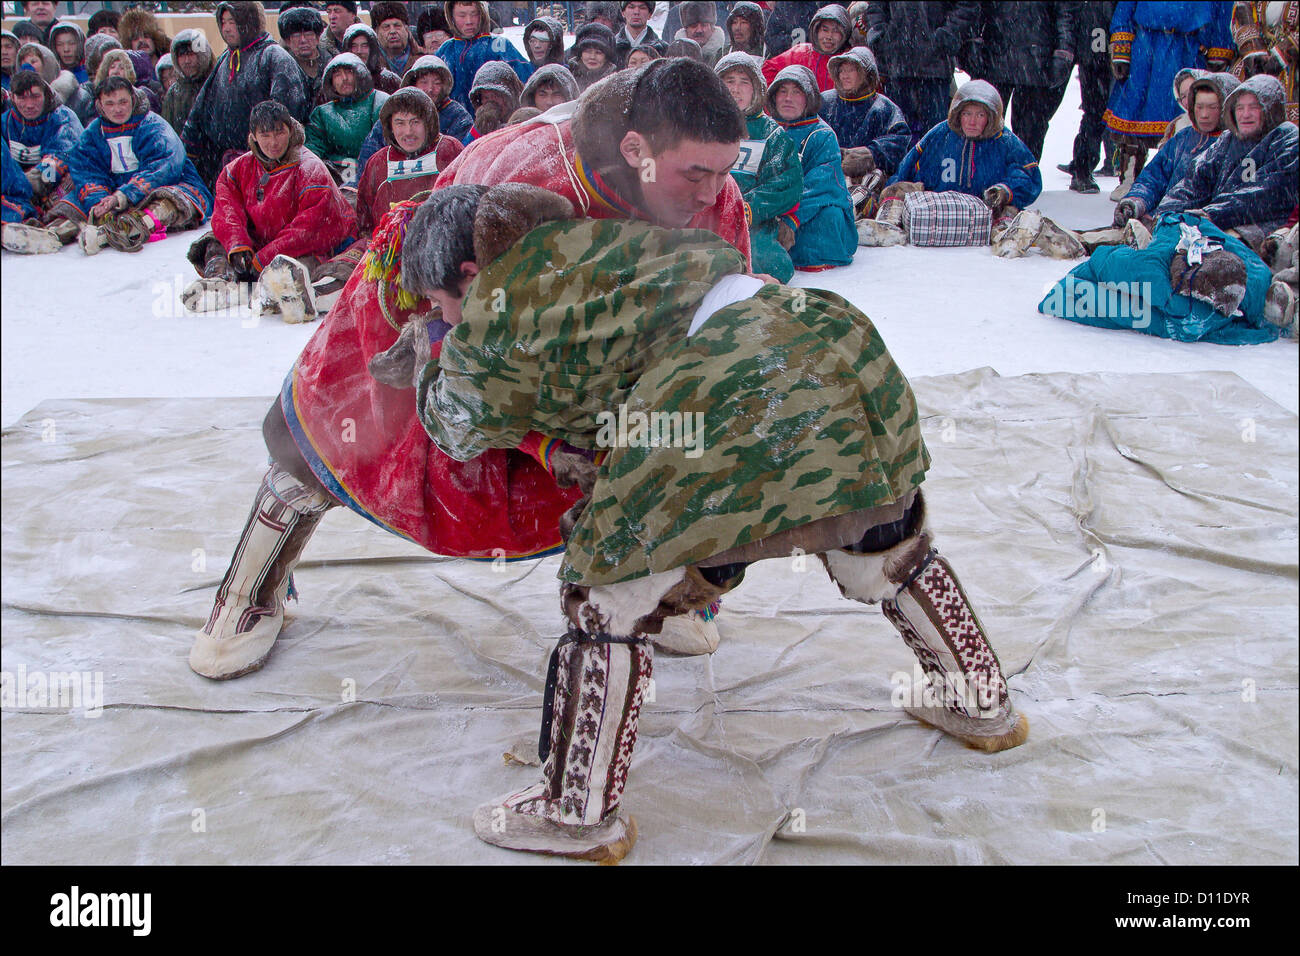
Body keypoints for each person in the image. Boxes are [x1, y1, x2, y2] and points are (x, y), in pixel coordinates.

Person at [401, 183, 1029, 861]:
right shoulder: (610, 240)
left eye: (441, 303)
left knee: (602, 600)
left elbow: (459, 427)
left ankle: (575, 811)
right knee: (882, 543)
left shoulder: (498, 304)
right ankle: (981, 702)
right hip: (831, 346)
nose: (446, 316)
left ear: (469, 273)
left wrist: (432, 357)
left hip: (722, 395)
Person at [434, 56, 754, 653]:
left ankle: (684, 580)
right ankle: (254, 585)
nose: (714, 192)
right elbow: (484, 357)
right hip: (520, 357)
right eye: (696, 174)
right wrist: (548, 443)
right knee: (332, 437)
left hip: (645, 372)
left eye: (725, 171)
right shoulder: (530, 198)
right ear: (637, 150)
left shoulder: (721, 201)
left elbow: (725, 326)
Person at [183, 100, 356, 320]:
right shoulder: (237, 169)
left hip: (303, 247)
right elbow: (227, 211)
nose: (273, 142)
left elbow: (308, 229)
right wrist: (239, 246)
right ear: (253, 136)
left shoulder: (311, 169)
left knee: (297, 266)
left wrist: (265, 257)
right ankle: (220, 281)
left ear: (290, 130)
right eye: (264, 135)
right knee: (216, 241)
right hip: (260, 245)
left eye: (279, 133)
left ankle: (284, 293)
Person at [19, 77, 212, 255]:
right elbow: (85, 169)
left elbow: (166, 164)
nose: (117, 109)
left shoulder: (152, 126)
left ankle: (130, 228)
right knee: (76, 201)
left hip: (157, 186)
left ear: (133, 99)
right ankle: (56, 233)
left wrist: (124, 195)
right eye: (110, 104)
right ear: (100, 105)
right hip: (111, 191)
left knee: (169, 202)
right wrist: (100, 200)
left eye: (123, 102)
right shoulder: (93, 133)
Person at [313, 87, 465, 292]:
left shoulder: (449, 150)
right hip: (384, 246)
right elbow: (365, 217)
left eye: (415, 122)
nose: (408, 132)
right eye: (400, 123)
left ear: (428, 123)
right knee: (349, 266)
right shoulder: (378, 162)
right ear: (389, 126)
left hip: (438, 244)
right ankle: (324, 287)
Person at [1104, 1, 1234, 200]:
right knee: (1134, 112)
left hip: (1187, 49)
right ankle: (1130, 178)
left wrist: (1219, 47)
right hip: (1145, 50)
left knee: (1188, 115)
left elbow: (1221, 9)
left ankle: (1182, 179)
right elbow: (1125, 9)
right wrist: (1121, 50)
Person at [182, 2, 310, 187]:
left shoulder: (273, 56)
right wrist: (187, 153)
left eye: (232, 21)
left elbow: (287, 115)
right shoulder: (225, 60)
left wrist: (265, 151)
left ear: (248, 21)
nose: (226, 29)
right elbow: (199, 113)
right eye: (223, 22)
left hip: (266, 166)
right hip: (224, 165)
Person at [1154, 73, 1299, 236]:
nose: (1245, 114)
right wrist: (1167, 212)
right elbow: (1196, 181)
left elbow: (1265, 193)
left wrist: (1212, 214)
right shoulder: (1228, 139)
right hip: (1216, 221)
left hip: (1260, 228)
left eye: (1254, 107)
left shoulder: (1287, 138)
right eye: (1239, 108)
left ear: (1270, 108)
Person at [715, 51, 802, 281]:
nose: (736, 89)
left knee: (769, 263)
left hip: (751, 223)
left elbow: (787, 183)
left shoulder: (771, 134)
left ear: (756, 88)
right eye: (729, 81)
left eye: (744, 82)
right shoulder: (702, 127)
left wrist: (749, 207)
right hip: (705, 215)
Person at [767, 64, 856, 271]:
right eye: (782, 91)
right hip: (771, 205)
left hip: (808, 208)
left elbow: (820, 185)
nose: (788, 98)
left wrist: (791, 218)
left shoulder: (822, 135)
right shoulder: (765, 129)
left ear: (809, 97)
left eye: (796, 92)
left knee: (828, 218)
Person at [969, 1, 1076, 162]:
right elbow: (976, 10)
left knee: (1029, 129)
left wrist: (1063, 52)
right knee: (987, 125)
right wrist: (972, 42)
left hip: (1033, 59)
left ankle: (1023, 174)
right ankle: (991, 172)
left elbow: (1065, 15)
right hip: (997, 56)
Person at [864, 1, 981, 148]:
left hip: (935, 69)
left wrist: (946, 35)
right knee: (895, 133)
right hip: (897, 66)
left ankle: (933, 169)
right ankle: (900, 169)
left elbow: (966, 6)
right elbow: (875, 7)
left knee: (935, 137)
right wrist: (880, 35)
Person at [818, 44, 909, 216]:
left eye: (851, 70)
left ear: (867, 74)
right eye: (842, 70)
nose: (844, 75)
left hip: (870, 178)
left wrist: (870, 153)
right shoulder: (825, 102)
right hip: (828, 173)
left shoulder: (884, 107)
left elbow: (900, 140)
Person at [0, 69, 82, 221]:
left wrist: (36, 179)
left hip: (52, 183)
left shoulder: (63, 118)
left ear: (45, 94)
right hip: (18, 185)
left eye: (35, 97)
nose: (29, 105)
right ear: (12, 97)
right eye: (22, 98)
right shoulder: (5, 122)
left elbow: (62, 156)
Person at [306, 53, 389, 186]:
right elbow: (312, 152)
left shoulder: (380, 102)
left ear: (360, 74)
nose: (344, 78)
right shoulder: (322, 113)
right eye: (337, 74)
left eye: (349, 72)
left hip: (376, 177)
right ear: (331, 81)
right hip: (335, 180)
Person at [436, 1, 533, 112]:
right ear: (451, 17)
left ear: (482, 14)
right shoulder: (446, 50)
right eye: (462, 15)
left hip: (496, 122)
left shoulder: (499, 46)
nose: (469, 21)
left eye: (474, 14)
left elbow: (528, 84)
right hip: (452, 125)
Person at [1230, 0, 1298, 127]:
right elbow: (1242, 8)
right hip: (1259, 54)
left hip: (1294, 61)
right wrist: (1253, 50)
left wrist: (1282, 54)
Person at [761, 3, 853, 92]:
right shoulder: (801, 53)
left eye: (836, 31)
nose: (829, 36)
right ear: (816, 30)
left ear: (844, 34)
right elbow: (768, 70)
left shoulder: (850, 60)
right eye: (825, 30)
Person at [162, 29, 214, 136]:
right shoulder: (174, 93)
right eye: (181, 55)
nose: (187, 61)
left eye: (191, 54)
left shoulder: (215, 84)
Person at [63, 33, 119, 123]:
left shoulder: (130, 90)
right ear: (96, 64)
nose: (116, 69)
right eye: (107, 61)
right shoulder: (83, 95)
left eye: (118, 60)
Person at [277, 5, 326, 105]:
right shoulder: (280, 68)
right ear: (288, 41)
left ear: (317, 37)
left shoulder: (331, 63)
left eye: (308, 34)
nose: (303, 40)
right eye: (296, 35)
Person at [14, 40, 79, 107]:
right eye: (25, 64)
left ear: (45, 63)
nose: (29, 67)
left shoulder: (67, 87)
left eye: (33, 62)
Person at [343, 22, 402, 95]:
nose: (359, 51)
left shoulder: (390, 82)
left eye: (364, 46)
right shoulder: (339, 81)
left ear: (372, 49)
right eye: (354, 46)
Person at [370, 2, 420, 76]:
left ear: (406, 29)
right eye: (386, 27)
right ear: (376, 32)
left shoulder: (422, 59)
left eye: (397, 26)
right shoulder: (371, 64)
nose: (392, 31)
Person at [567, 22, 618, 92]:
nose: (592, 57)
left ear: (606, 57)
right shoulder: (568, 78)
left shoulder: (615, 81)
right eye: (588, 51)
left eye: (598, 52)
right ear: (580, 54)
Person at [673, 0, 727, 66]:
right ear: (686, 29)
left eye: (704, 25)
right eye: (694, 26)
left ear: (712, 27)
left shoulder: (725, 55)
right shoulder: (673, 57)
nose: (699, 30)